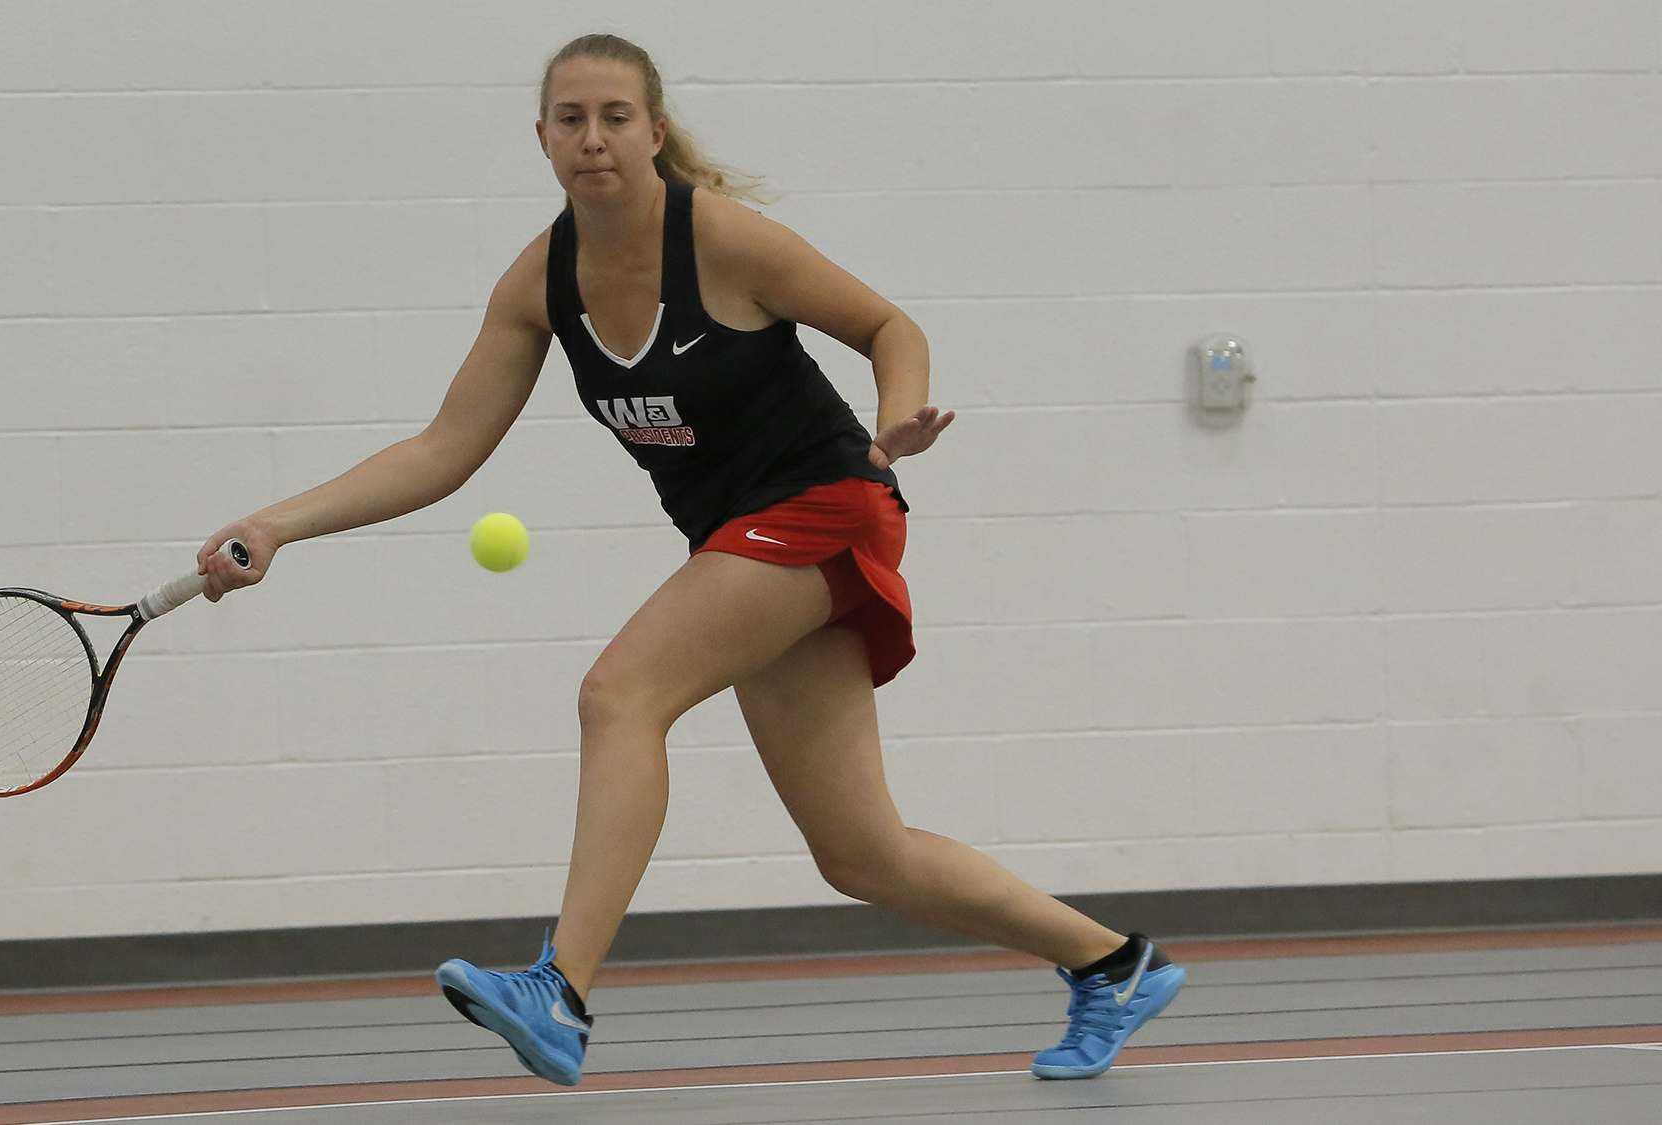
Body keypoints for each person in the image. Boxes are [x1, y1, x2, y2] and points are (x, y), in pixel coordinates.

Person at [196, 32, 1183, 1087]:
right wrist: (280, 524)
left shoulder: (718, 239)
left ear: (653, 131)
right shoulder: (541, 282)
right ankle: (1112, 964)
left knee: (618, 695)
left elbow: (886, 325)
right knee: (859, 854)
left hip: (825, 503)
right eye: (569, 120)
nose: (592, 139)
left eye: (614, 116)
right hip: (739, 540)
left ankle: (559, 992)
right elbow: (442, 449)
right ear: (540, 140)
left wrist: (896, 423)